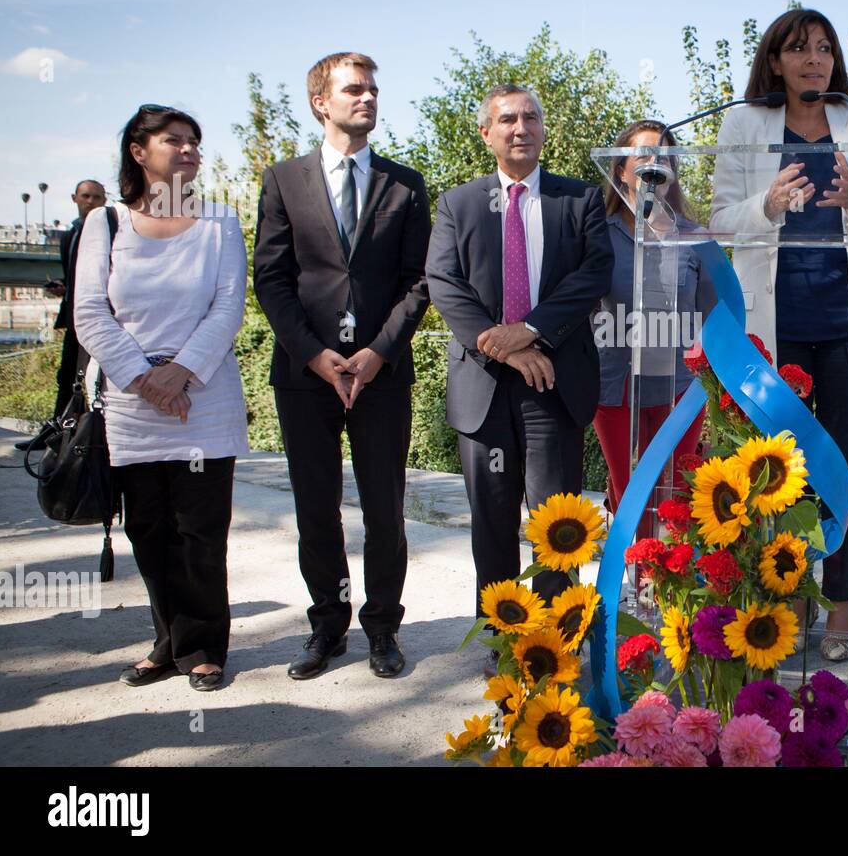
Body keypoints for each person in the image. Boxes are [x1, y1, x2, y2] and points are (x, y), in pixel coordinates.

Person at [710, 8, 848, 661]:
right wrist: (766, 206)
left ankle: (840, 606)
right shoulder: (744, 123)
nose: (814, 59)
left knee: (841, 466)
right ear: (777, 61)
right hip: (773, 324)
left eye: (823, 48)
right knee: (778, 473)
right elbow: (721, 221)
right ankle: (782, 604)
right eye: (799, 49)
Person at [253, 52, 432, 681]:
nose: (368, 98)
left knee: (385, 506)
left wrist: (378, 352)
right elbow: (271, 280)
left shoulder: (406, 185)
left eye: (374, 88)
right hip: (307, 375)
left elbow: (419, 282)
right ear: (320, 102)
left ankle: (383, 626)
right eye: (354, 89)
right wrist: (316, 354)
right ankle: (327, 625)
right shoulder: (282, 181)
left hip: (381, 374)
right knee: (315, 506)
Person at [425, 83, 613, 658]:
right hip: (483, 386)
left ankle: (557, 642)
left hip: (553, 385)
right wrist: (504, 347)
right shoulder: (458, 204)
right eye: (507, 119)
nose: (521, 127)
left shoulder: (577, 200)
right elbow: (443, 282)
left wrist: (530, 330)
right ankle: (506, 644)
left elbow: (594, 272)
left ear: (542, 128)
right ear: (487, 133)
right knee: (492, 522)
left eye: (531, 116)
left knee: (557, 524)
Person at [74, 104, 249, 691]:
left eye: (195, 142)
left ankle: (203, 648)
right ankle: (166, 640)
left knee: (200, 530)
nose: (188, 150)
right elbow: (89, 312)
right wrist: (142, 377)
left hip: (204, 398)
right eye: (174, 140)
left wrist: (180, 372)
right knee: (147, 530)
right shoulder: (105, 224)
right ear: (138, 150)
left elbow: (228, 307)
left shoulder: (221, 222)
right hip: (131, 404)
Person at [593, 120, 715, 580]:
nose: (653, 164)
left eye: (663, 157)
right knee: (630, 490)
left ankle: (673, 587)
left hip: (679, 388)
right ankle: (638, 586)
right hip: (614, 382)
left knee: (675, 489)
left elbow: (711, 312)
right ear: (620, 171)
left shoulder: (694, 237)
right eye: (642, 156)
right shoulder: (598, 234)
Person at [16, 180, 108, 452]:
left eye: (96, 197)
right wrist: (65, 287)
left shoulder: (109, 232)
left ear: (104, 201)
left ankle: (84, 436)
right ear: (75, 198)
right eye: (85, 196)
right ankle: (58, 431)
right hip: (74, 316)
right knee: (68, 375)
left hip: (96, 318)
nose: (90, 201)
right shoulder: (71, 235)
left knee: (92, 378)